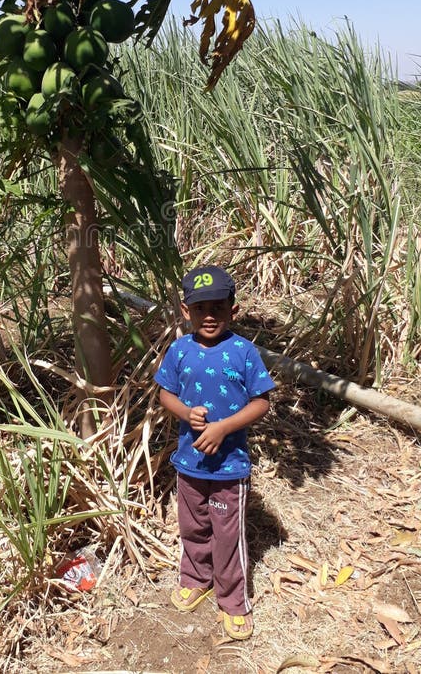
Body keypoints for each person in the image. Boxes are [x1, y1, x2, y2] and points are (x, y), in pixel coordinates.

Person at [155, 264, 276, 640]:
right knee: (193, 526)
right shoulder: (179, 349)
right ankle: (196, 578)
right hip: (190, 463)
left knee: (228, 535)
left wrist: (224, 427)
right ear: (185, 310)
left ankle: (233, 600)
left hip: (228, 468)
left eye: (218, 308)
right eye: (200, 308)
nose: (209, 316)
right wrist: (185, 413)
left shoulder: (243, 351)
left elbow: (262, 402)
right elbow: (165, 394)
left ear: (232, 310)